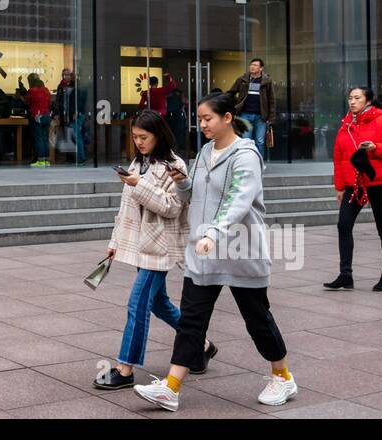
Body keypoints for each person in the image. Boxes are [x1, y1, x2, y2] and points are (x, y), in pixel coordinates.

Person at [134, 92, 296, 412]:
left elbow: (238, 200)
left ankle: (283, 376)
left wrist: (212, 233)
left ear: (227, 118)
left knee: (257, 320)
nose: (202, 124)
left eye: (208, 118)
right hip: (205, 251)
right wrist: (183, 182)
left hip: (238, 250)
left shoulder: (246, 155)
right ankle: (172, 386)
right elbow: (198, 193)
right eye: (200, 118)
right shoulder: (206, 151)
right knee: (192, 321)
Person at [94, 110, 217, 390]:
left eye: (144, 137)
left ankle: (125, 368)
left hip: (160, 247)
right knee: (159, 303)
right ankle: (202, 344)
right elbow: (126, 210)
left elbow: (173, 207)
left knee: (138, 303)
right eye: (135, 137)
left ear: (158, 135)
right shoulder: (139, 163)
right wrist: (115, 242)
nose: (138, 142)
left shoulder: (175, 165)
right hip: (142, 245)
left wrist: (140, 185)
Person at [325, 86, 382, 292]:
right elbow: (339, 159)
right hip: (354, 185)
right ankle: (346, 275)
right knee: (343, 226)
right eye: (350, 98)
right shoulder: (346, 125)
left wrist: (376, 148)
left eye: (357, 98)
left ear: (368, 100)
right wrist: (339, 186)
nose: (352, 101)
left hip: (379, 183)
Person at [228, 58, 275, 165]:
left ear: (261, 68)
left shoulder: (267, 81)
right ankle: (247, 164)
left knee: (260, 142)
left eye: (255, 65)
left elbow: (271, 100)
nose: (252, 67)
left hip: (261, 116)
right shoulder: (242, 79)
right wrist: (234, 105)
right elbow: (231, 93)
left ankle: (258, 164)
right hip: (245, 115)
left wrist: (271, 118)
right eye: (251, 65)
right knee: (246, 141)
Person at [53, 67, 85, 164]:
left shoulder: (76, 85)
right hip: (65, 115)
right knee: (68, 135)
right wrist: (57, 113)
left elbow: (80, 100)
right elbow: (58, 101)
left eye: (67, 74)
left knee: (76, 135)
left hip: (75, 114)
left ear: (71, 76)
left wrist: (77, 111)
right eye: (63, 74)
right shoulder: (61, 86)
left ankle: (80, 158)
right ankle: (70, 157)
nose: (64, 76)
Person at [25, 73, 52, 167]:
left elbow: (27, 102)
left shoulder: (31, 91)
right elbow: (49, 103)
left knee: (38, 138)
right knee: (45, 138)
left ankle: (40, 160)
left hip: (37, 115)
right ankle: (46, 160)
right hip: (47, 115)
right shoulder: (46, 90)